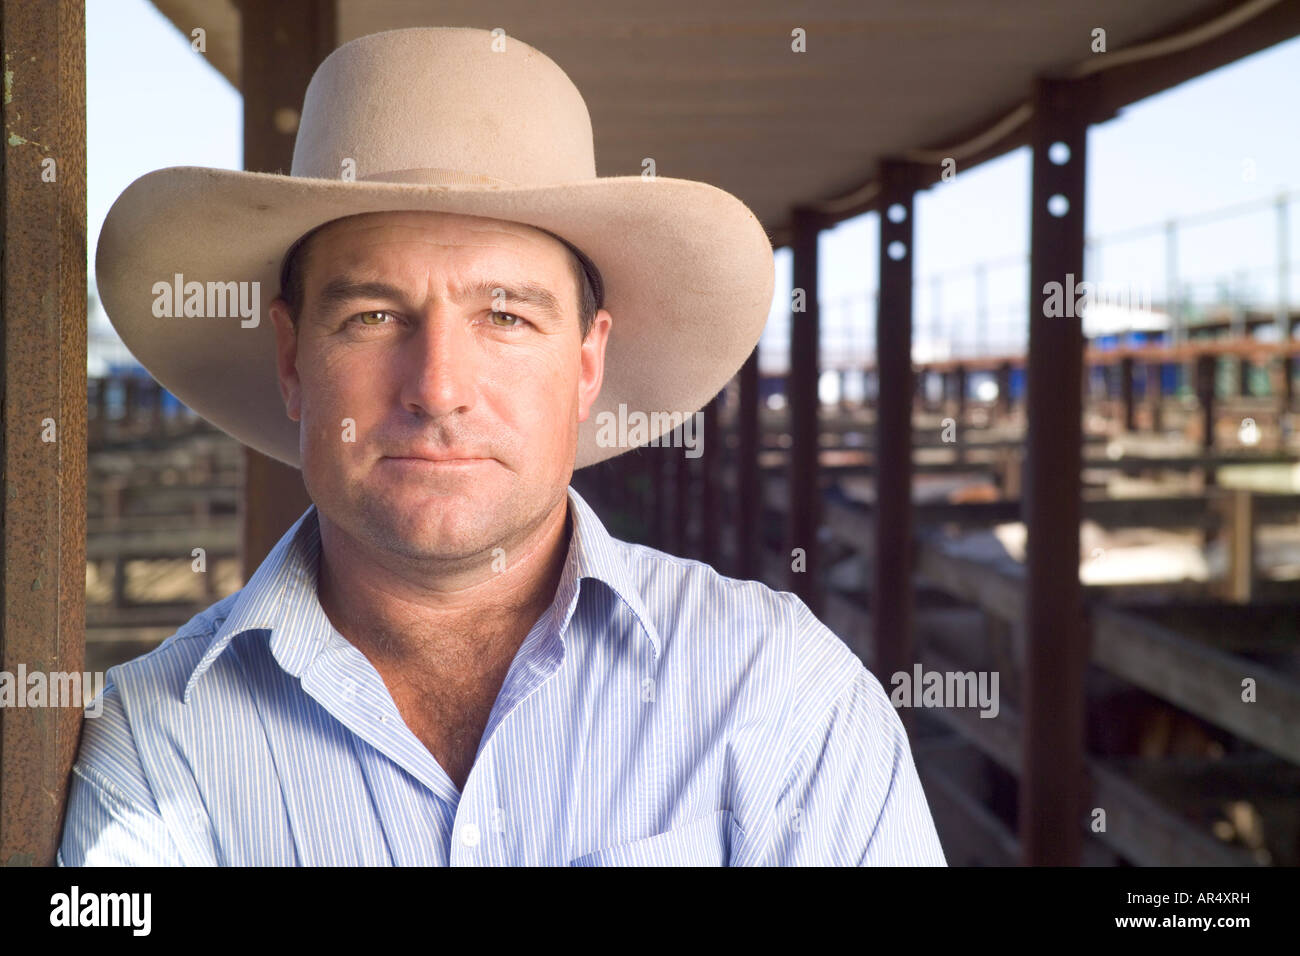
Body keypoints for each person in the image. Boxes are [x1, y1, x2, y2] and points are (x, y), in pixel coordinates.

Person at [61, 26, 946, 866]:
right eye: (373, 316)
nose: (438, 387)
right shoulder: (156, 744)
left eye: (507, 316)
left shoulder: (780, 691)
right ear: (293, 358)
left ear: (588, 361)